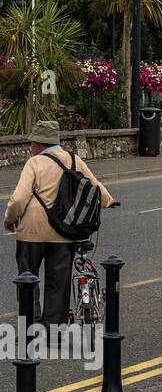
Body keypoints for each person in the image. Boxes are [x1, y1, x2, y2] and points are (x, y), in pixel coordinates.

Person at [4, 121, 117, 326]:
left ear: (39, 144)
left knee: (28, 280)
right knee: (58, 283)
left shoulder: (35, 163)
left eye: (32, 144)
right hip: (64, 231)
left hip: (31, 232)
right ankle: (54, 328)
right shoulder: (74, 160)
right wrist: (110, 201)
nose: (31, 148)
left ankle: (30, 326)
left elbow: (19, 198)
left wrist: (9, 220)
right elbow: (95, 185)